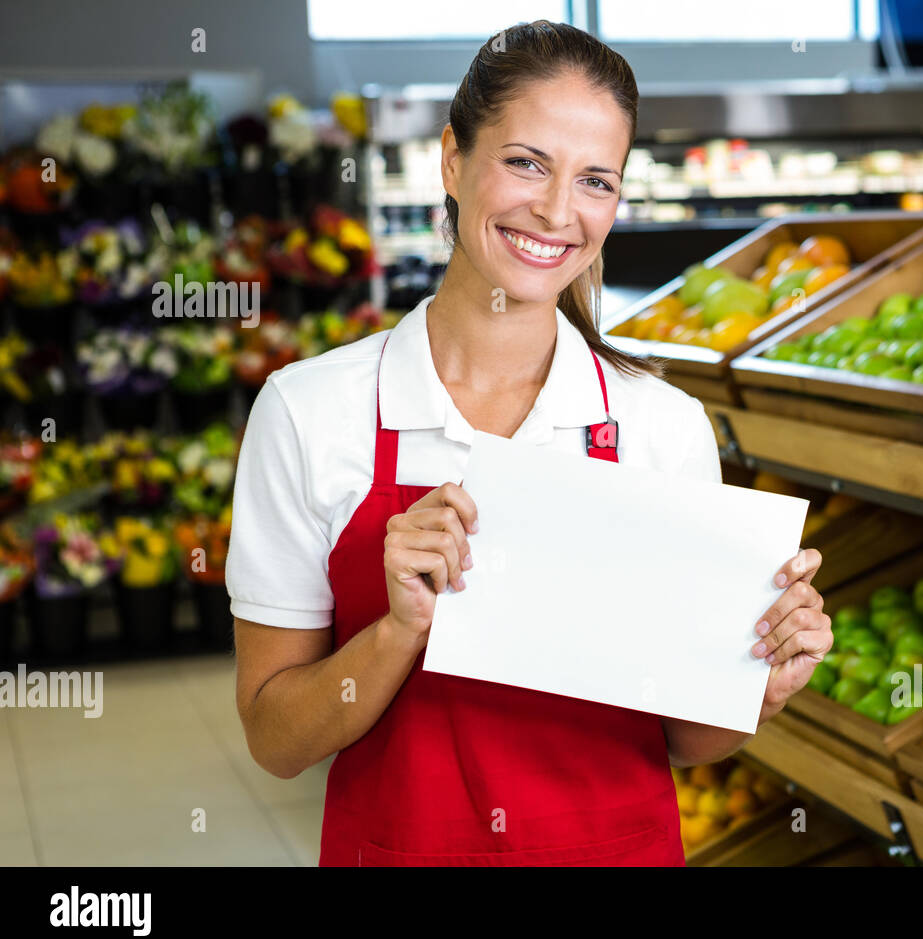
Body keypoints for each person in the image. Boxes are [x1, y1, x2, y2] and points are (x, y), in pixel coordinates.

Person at [228, 20, 832, 867]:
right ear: (451, 159)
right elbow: (275, 740)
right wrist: (400, 630)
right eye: (526, 163)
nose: (557, 211)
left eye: (595, 181)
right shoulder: (310, 412)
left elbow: (684, 741)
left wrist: (758, 686)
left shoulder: (662, 429)